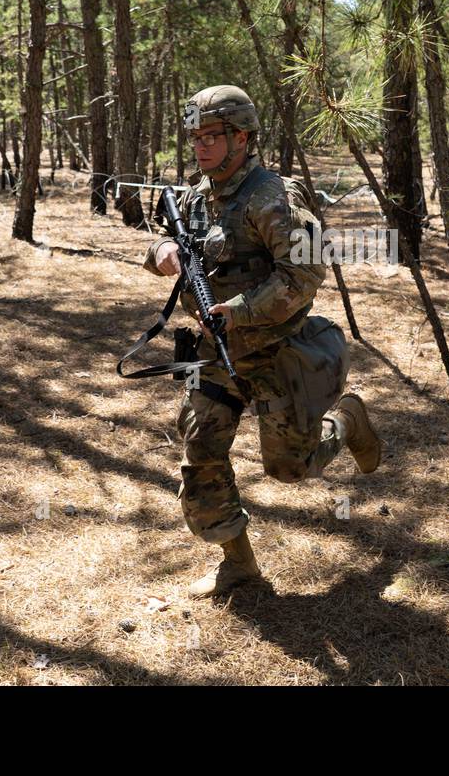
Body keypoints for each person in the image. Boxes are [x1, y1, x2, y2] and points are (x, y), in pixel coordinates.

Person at [142, 84, 384, 598]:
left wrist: (241, 309)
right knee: (201, 451)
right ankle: (238, 564)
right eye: (196, 137)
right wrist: (161, 249)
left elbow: (306, 274)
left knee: (290, 468)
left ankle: (347, 421)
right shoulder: (195, 195)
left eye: (213, 136)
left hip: (276, 352)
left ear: (244, 137)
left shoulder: (274, 197)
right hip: (214, 355)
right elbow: (163, 235)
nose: (202, 146)